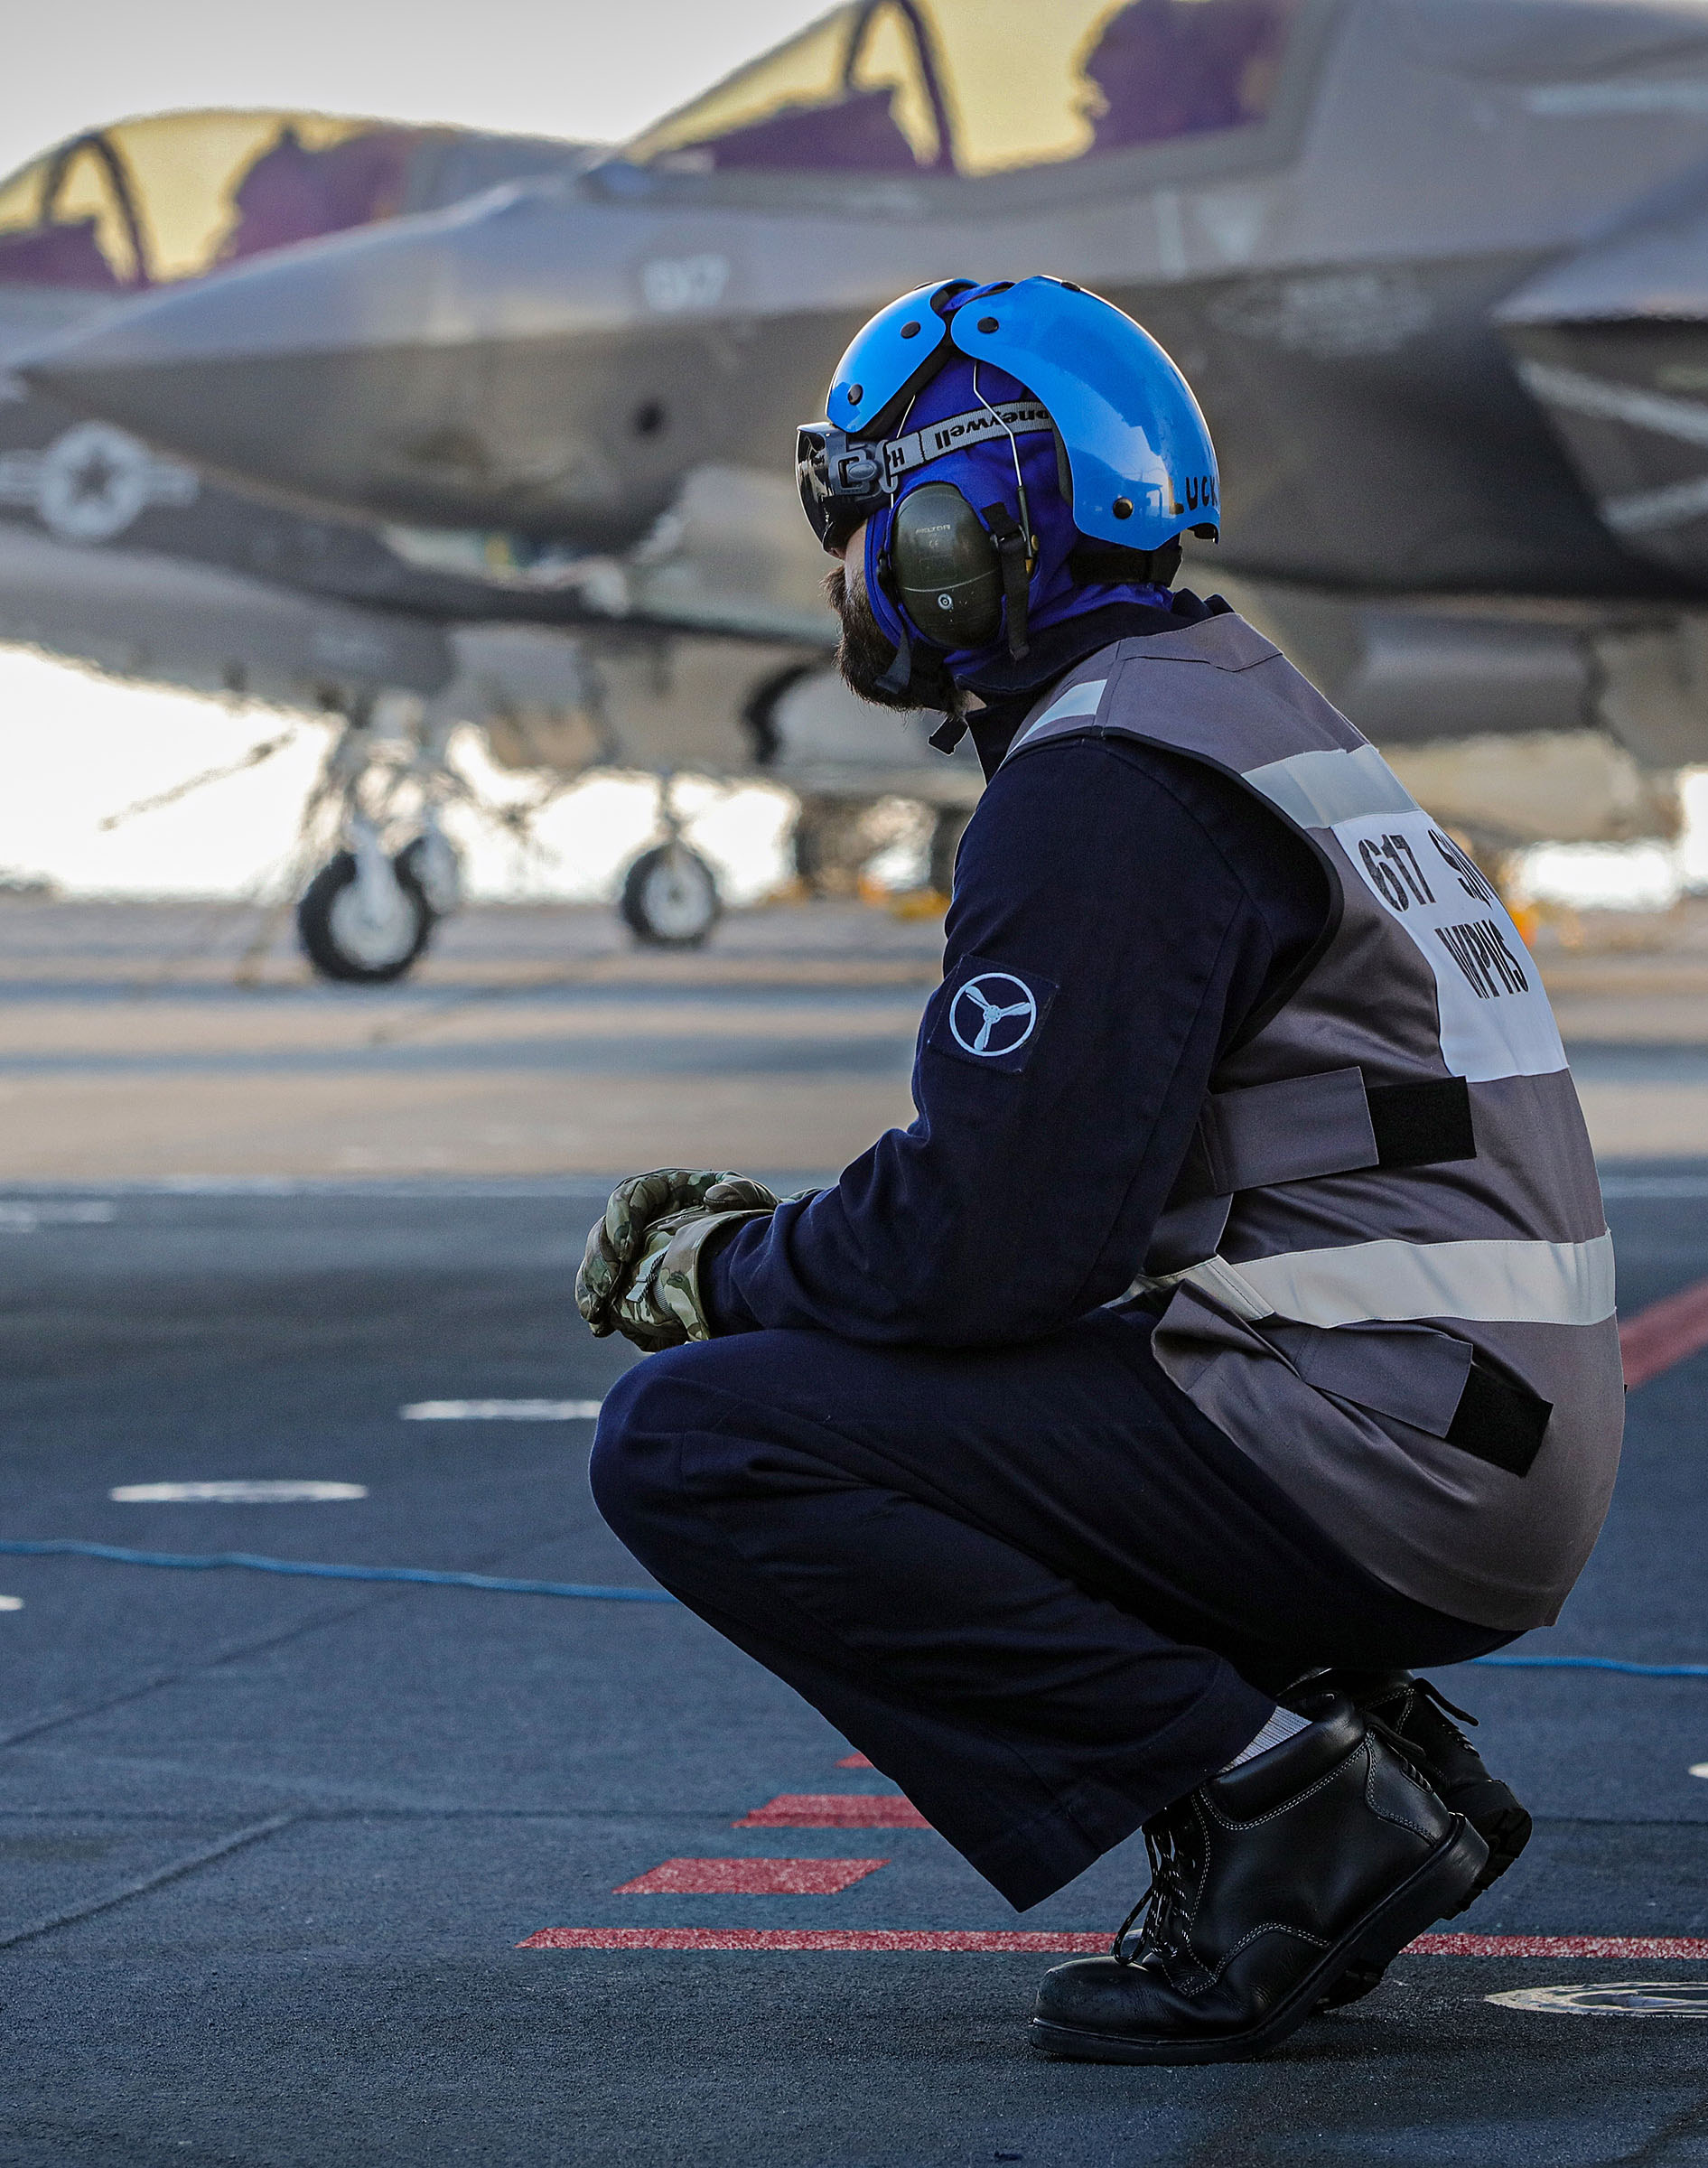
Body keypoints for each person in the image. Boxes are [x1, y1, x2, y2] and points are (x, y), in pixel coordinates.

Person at [574, 278, 1620, 2065]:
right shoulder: (1231, 706)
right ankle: (1355, 1742)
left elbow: (993, 1247)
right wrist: (803, 1252)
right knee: (935, 1372)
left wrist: (722, 1272)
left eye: (865, 524)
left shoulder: (1109, 783)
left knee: (701, 1438)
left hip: (1387, 1450)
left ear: (961, 531)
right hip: (1460, 1426)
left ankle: (1289, 1805)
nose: (849, 578)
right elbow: (1064, 1197)